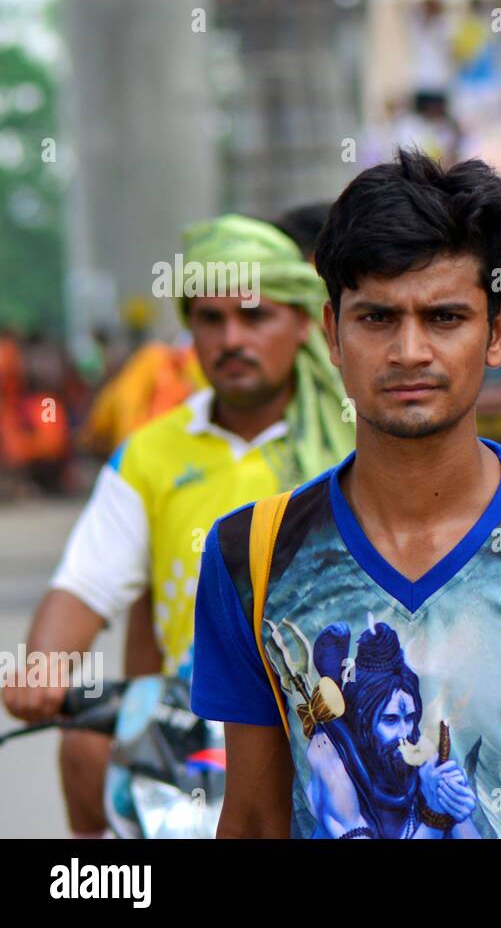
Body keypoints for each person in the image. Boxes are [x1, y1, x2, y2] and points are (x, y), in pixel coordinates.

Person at [192, 149, 501, 839]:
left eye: (445, 317)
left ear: (500, 330)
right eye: (377, 319)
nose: (410, 351)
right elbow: (251, 817)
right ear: (333, 332)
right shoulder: (254, 554)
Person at [2, 212, 353, 838]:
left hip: (329, 731)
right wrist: (42, 666)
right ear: (189, 327)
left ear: (305, 322)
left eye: (255, 316)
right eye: (210, 319)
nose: (231, 339)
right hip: (190, 736)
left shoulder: (355, 441)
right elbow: (86, 582)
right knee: (82, 751)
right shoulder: (150, 454)